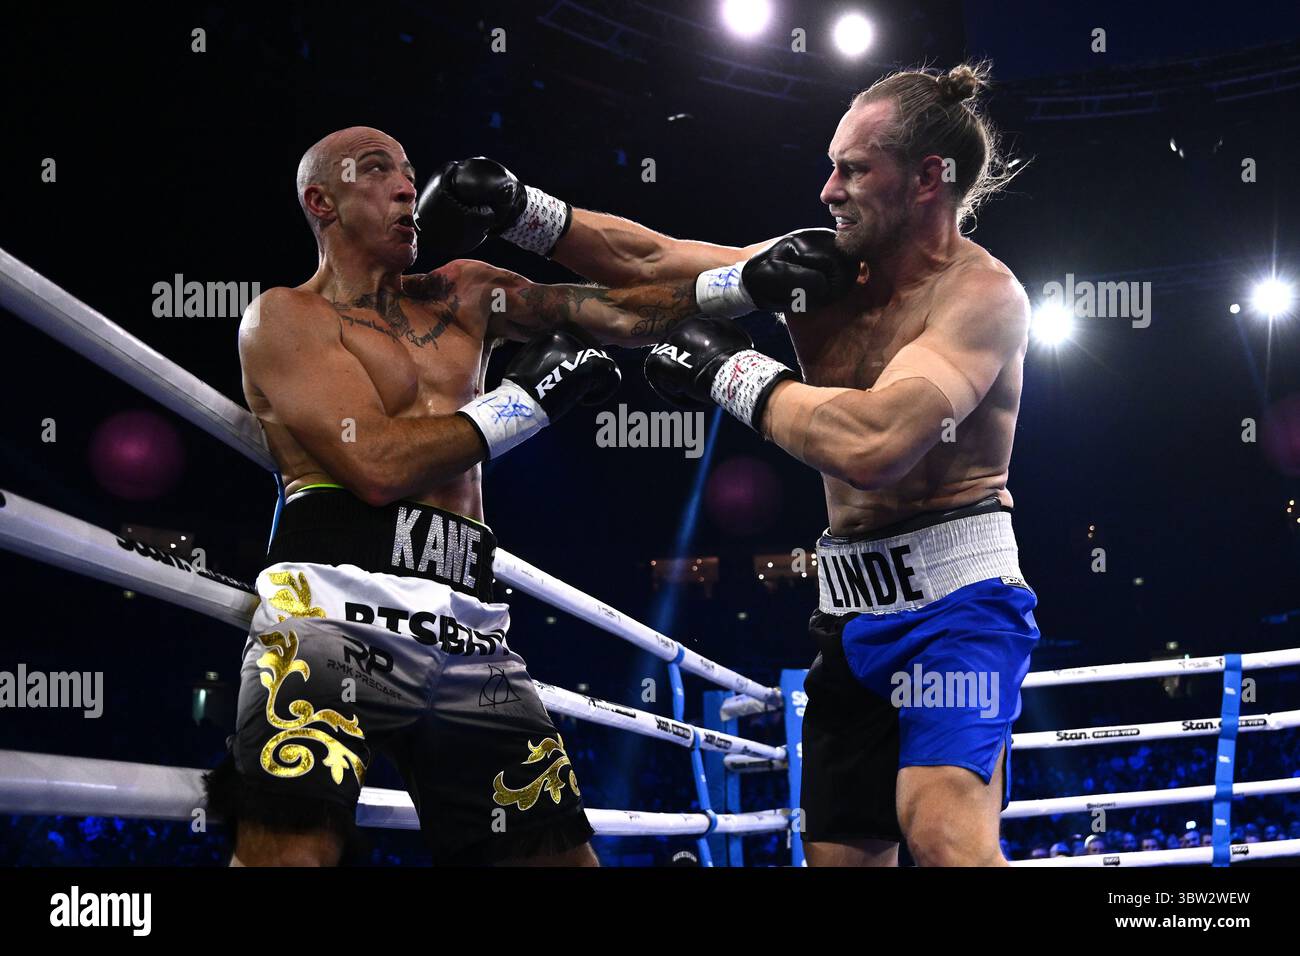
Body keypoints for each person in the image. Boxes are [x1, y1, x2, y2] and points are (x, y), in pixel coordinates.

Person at [423, 61, 1033, 867]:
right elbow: (651, 263)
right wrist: (518, 211)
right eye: (830, 166)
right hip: (850, 617)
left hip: (960, 607)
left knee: (946, 836)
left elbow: (875, 444)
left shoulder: (981, 297)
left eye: (853, 169)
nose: (828, 190)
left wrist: (729, 372)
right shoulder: (821, 269)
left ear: (928, 179)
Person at [208, 126, 848, 867]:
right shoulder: (286, 316)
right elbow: (376, 465)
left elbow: (610, 308)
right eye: (378, 171)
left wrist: (743, 283)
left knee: (557, 858)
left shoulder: (465, 290)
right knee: (287, 854)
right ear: (321, 200)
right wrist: (522, 404)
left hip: (467, 633)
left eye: (410, 173)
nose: (407, 188)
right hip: (326, 618)